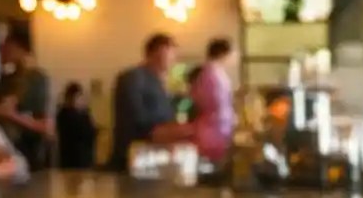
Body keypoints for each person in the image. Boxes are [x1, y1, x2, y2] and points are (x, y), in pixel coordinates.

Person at [109, 33, 194, 172]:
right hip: (135, 155)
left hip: (156, 154)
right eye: (170, 53)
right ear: (157, 52)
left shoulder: (159, 83)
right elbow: (136, 117)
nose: (173, 59)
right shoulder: (133, 78)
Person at [0, 32, 52, 171]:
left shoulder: (36, 80)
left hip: (26, 149)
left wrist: (6, 113)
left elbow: (46, 126)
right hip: (3, 149)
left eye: (7, 47)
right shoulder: (3, 80)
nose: (2, 51)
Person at [191, 37, 237, 164]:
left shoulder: (213, 72)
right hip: (214, 128)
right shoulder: (212, 74)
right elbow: (217, 104)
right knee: (214, 163)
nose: (235, 57)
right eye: (233, 53)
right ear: (223, 53)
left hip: (216, 126)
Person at [56, 82, 98, 169]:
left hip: (70, 160)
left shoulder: (62, 114)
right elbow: (89, 133)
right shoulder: (72, 115)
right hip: (78, 160)